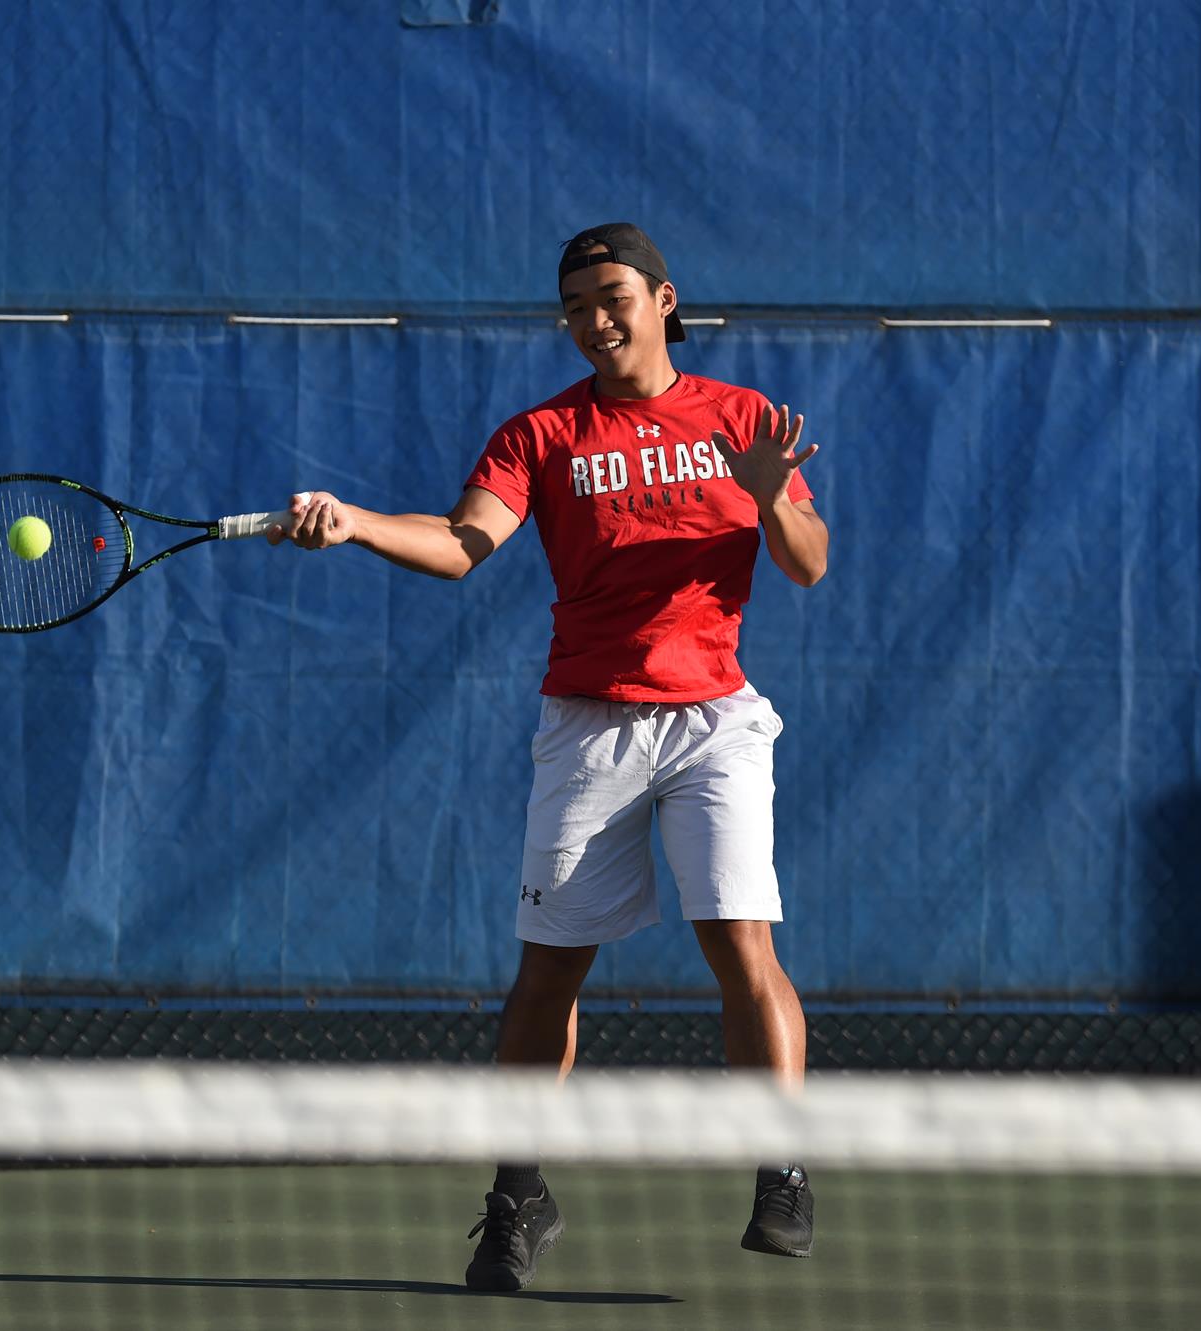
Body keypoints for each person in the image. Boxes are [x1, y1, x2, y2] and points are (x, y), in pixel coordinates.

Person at [270, 222, 827, 1290]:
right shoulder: (538, 435)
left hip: (716, 720)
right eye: (574, 306)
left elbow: (805, 563)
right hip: (587, 724)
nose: (593, 320)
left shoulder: (743, 419)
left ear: (663, 298)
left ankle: (782, 1163)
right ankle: (517, 1190)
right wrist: (351, 524)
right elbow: (459, 542)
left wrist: (764, 493)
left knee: (738, 941)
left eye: (612, 295)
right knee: (547, 971)